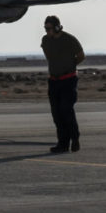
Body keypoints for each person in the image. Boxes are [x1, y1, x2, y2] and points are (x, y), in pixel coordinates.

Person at [40, 15, 84, 153]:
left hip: (68, 80)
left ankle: (75, 138)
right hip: (54, 81)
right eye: (45, 28)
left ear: (57, 27)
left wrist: (70, 66)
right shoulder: (46, 40)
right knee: (57, 114)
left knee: (66, 109)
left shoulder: (69, 39)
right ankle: (63, 144)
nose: (47, 31)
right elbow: (49, 58)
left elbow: (81, 56)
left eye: (49, 28)